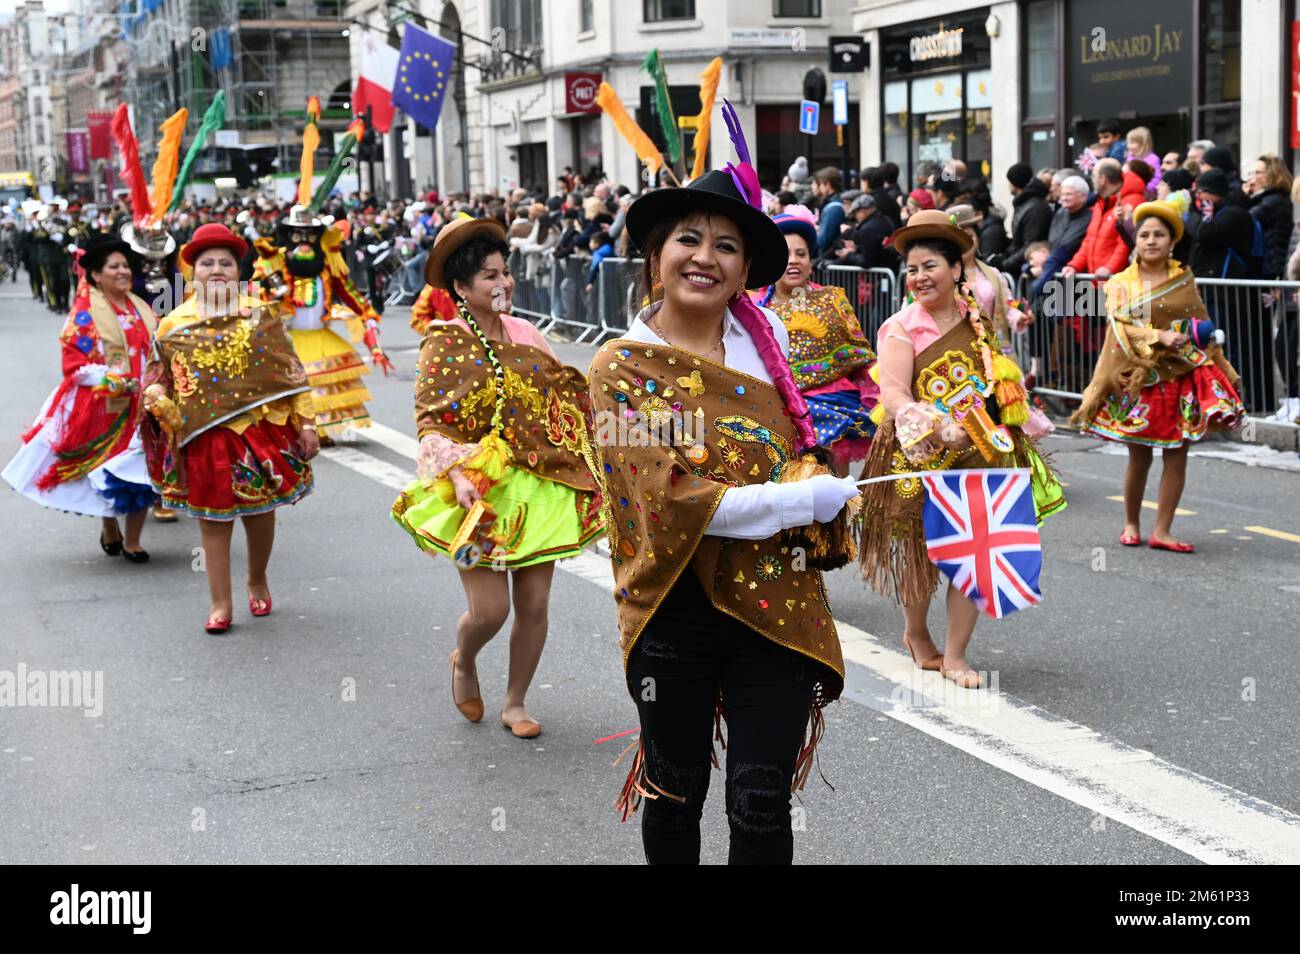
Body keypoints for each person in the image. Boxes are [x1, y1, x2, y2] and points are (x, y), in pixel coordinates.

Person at [593, 113, 858, 864]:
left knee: (761, 801)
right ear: (655, 256)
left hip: (776, 602)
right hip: (672, 605)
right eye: (689, 239)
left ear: (746, 272)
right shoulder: (619, 369)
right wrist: (798, 501)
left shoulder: (768, 355)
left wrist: (824, 484)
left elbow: (798, 453)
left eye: (727, 246)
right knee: (674, 796)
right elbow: (666, 500)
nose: (705, 257)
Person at [390, 216, 604, 740]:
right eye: (488, 276)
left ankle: (515, 702)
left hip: (541, 486)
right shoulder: (443, 343)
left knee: (533, 603)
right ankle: (464, 658)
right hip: (472, 494)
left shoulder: (529, 334)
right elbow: (430, 421)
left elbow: (566, 401)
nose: (503, 283)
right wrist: (459, 475)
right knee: (489, 610)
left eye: (504, 273)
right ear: (461, 289)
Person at [859, 209, 1063, 690]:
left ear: (956, 269)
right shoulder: (901, 327)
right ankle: (915, 633)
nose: (919, 276)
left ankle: (956, 654)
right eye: (911, 268)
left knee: (974, 549)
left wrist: (1019, 422)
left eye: (930, 265)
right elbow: (894, 398)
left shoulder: (977, 323)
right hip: (919, 453)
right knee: (920, 551)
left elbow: (999, 383)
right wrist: (935, 424)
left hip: (978, 454)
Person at [142, 224, 319, 633]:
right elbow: (159, 376)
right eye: (208, 263)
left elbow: (291, 374)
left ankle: (257, 577)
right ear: (193, 272)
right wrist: (155, 394)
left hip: (258, 432)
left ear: (239, 272)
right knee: (214, 522)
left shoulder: (261, 315)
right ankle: (220, 603)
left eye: (226, 262)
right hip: (203, 435)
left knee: (260, 516)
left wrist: (307, 423)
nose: (217, 269)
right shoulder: (173, 324)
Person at [1071, 201, 1245, 553]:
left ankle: (1162, 530)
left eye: (1159, 235)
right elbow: (1121, 329)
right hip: (1138, 378)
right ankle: (1131, 523)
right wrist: (1159, 336)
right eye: (1145, 235)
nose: (1151, 241)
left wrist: (1224, 369)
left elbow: (1202, 327)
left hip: (1179, 377)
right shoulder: (1120, 281)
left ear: (1172, 241)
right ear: (1136, 241)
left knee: (1177, 454)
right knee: (1139, 457)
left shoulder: (1184, 279)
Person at [3, 234, 159, 560]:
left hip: (143, 402)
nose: (122, 271)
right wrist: (113, 379)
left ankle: (132, 540)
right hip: (104, 403)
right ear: (97, 275)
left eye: (125, 266)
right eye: (113, 266)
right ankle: (108, 525)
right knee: (104, 468)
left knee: (141, 469)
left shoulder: (142, 307)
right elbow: (74, 364)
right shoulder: (85, 314)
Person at [756, 204, 880, 472]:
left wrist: (881, 397)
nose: (794, 261)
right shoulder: (754, 307)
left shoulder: (832, 298)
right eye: (785, 254)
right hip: (779, 414)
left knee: (837, 493)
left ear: (810, 262)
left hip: (836, 409)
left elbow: (860, 354)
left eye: (801, 254)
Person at [252, 205, 389, 440]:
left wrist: (368, 315)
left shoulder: (326, 265)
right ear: (289, 236)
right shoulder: (275, 262)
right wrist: (270, 296)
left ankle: (319, 431)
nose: (304, 241)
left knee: (321, 386)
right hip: (287, 338)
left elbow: (348, 292)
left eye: (310, 235)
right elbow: (256, 295)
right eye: (297, 235)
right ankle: (289, 430)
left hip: (319, 335)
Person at [996, 162, 1052, 273]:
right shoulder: (1024, 204)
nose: (1008, 185)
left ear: (1014, 182)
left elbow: (1031, 244)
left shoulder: (1034, 208)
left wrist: (1005, 264)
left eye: (1009, 181)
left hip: (1029, 267)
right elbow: (1018, 241)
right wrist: (1003, 258)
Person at [811, 166, 845, 256]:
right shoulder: (838, 202)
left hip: (828, 256)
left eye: (821, 184)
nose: (820, 188)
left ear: (828, 185)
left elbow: (823, 240)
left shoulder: (833, 208)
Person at [1124, 126, 1163, 192]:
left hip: (1146, 193)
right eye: (1128, 143)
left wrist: (1145, 189)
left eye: (1132, 143)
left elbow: (1157, 178)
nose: (1128, 146)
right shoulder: (1130, 158)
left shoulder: (1153, 159)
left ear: (1143, 143)